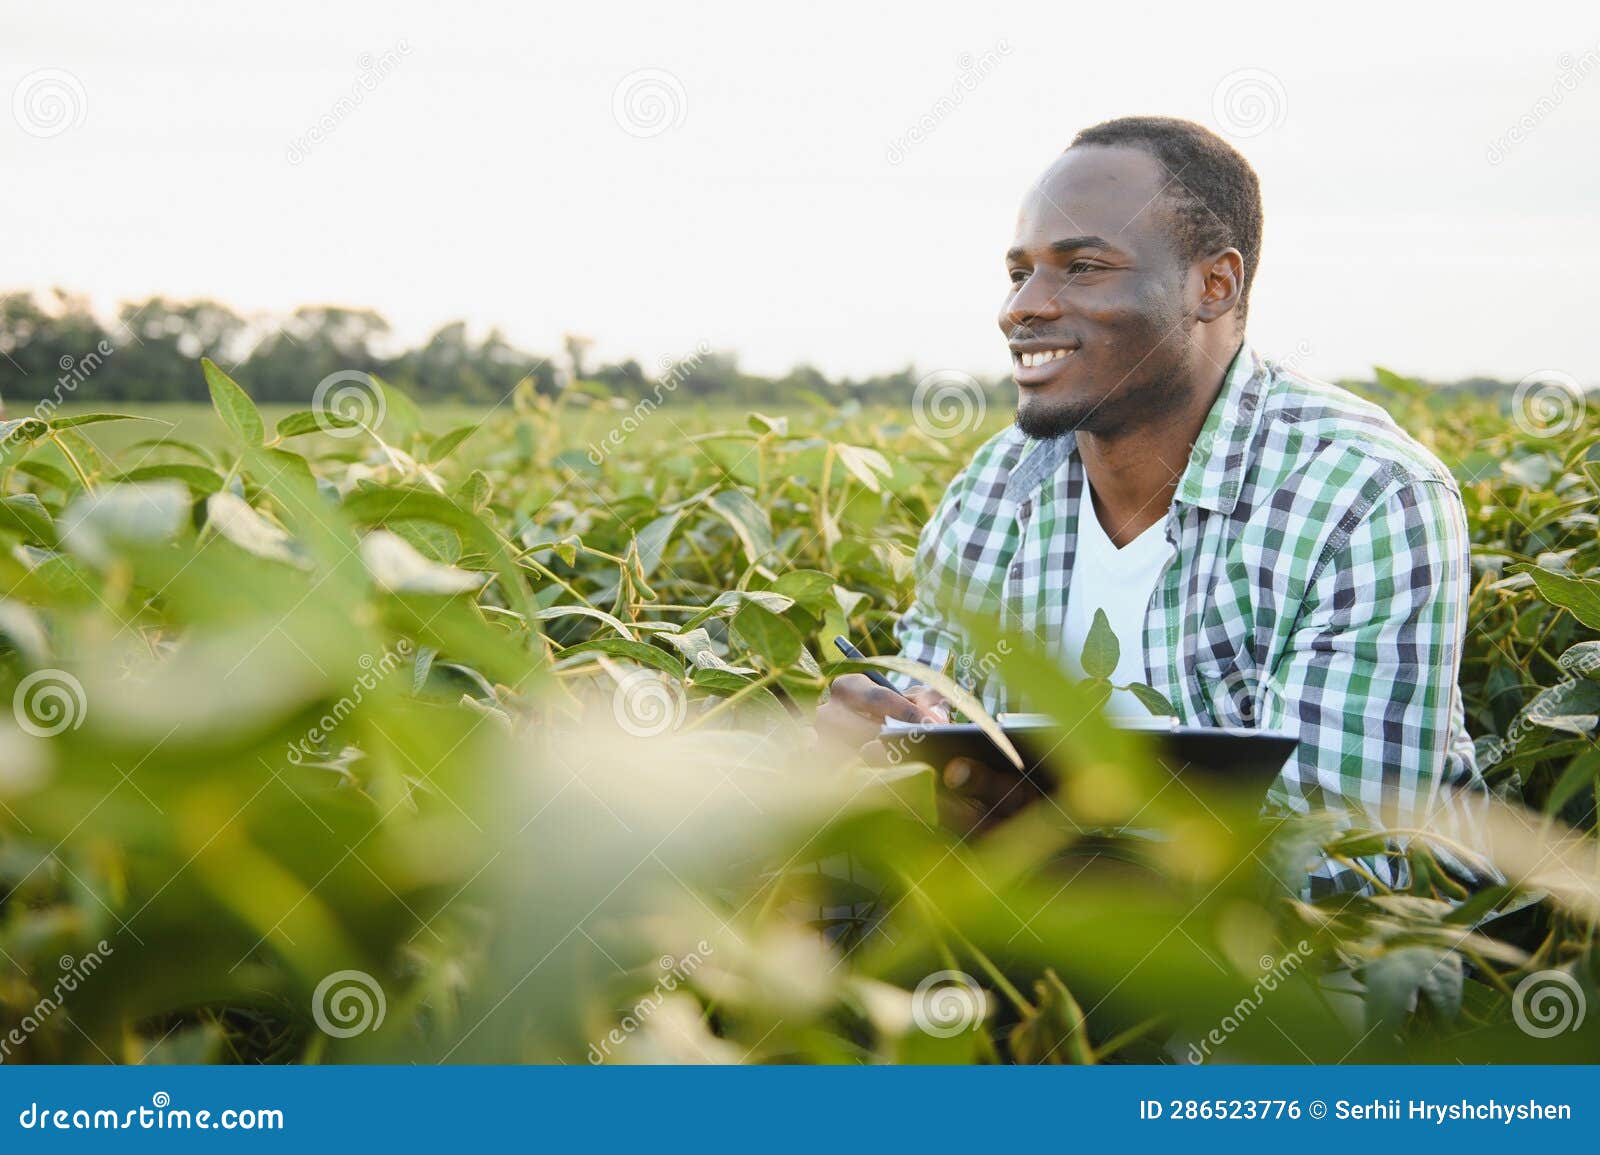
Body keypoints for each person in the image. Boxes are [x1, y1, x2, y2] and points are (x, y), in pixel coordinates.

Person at [816, 116, 1485, 895]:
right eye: (1018, 272)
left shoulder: (1365, 495)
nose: (1022, 307)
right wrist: (874, 744)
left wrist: (1041, 852)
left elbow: (1350, 866)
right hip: (1029, 948)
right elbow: (927, 727)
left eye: (1083, 267)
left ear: (1215, 284)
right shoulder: (993, 491)